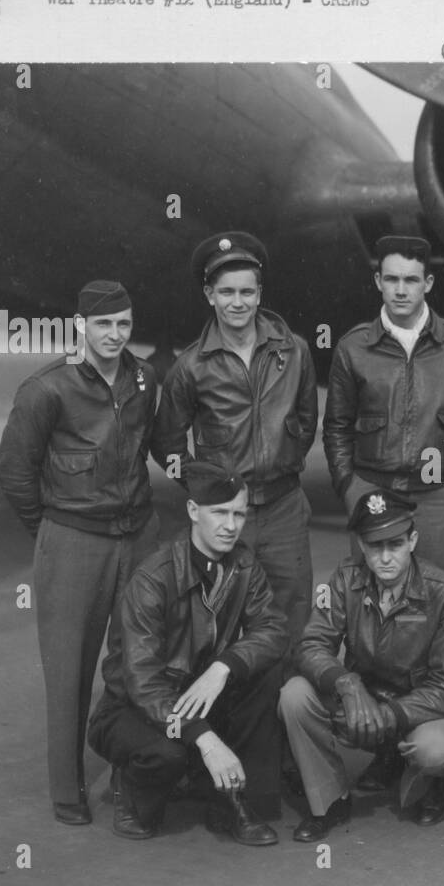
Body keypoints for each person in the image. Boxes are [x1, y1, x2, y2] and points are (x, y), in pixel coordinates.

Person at [0, 280, 159, 825]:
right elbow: (14, 471)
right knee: (68, 669)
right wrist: (51, 532)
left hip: (135, 534)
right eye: (103, 324)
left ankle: (128, 775)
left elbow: (150, 447)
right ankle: (67, 792)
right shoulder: (47, 389)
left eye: (124, 324)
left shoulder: (143, 378)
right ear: (80, 325)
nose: (115, 335)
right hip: (73, 540)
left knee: (136, 660)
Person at [87, 462, 290, 844]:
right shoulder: (153, 578)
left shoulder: (243, 564)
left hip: (199, 691)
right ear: (194, 512)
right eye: (219, 513)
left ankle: (232, 802)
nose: (230, 526)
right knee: (168, 756)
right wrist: (206, 739)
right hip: (134, 707)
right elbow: (143, 683)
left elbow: (274, 629)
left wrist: (224, 666)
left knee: (265, 676)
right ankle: (132, 791)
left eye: (238, 514)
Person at [152, 231, 318, 654]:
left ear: (260, 293)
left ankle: (284, 712)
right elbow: (165, 444)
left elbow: (306, 420)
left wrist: (284, 464)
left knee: (291, 616)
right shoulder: (190, 367)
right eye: (226, 292)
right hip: (226, 511)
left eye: (247, 291)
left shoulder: (294, 351)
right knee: (219, 618)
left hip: (284, 509)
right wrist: (207, 487)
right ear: (209, 295)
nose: (237, 302)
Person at [277, 488, 444, 840]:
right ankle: (331, 799)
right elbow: (311, 644)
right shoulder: (346, 579)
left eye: (394, 545)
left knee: (435, 750)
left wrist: (391, 715)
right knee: (294, 695)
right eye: (374, 546)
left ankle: (427, 782)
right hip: (362, 699)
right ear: (362, 547)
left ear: (412, 541)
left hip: (418, 707)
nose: (384, 558)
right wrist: (344, 681)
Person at [322, 235, 444, 581]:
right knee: (371, 603)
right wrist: (349, 487)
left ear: (427, 283)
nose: (401, 290)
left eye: (411, 280)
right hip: (372, 490)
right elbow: (337, 425)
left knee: (439, 601)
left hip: (439, 494)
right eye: (392, 279)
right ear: (378, 281)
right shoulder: (353, 348)